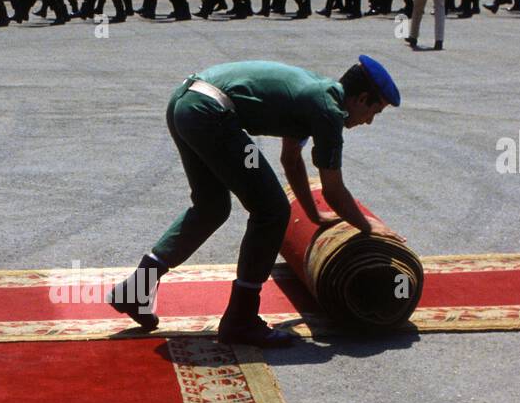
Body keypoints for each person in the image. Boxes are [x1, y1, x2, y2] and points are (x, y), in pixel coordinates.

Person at [107, 57, 401, 347]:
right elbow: (334, 191)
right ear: (362, 98)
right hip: (211, 114)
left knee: (212, 207)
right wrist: (369, 228)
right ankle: (241, 320)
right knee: (271, 211)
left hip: (186, 102)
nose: (369, 121)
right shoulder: (327, 111)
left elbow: (291, 160)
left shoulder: (317, 94)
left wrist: (314, 215)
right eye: (374, 111)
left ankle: (137, 288)